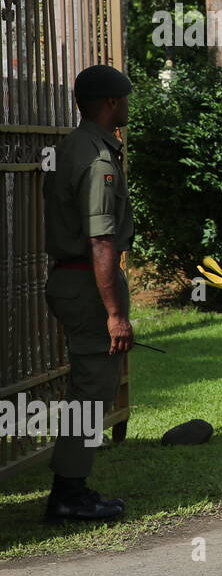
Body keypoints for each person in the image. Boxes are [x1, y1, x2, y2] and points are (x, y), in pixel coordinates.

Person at [41, 63, 135, 522]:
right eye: (126, 99)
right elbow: (101, 242)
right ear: (112, 103)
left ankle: (71, 487)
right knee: (91, 391)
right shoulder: (97, 160)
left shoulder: (73, 146)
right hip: (86, 283)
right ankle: (69, 495)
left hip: (72, 278)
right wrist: (114, 314)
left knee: (87, 387)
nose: (128, 106)